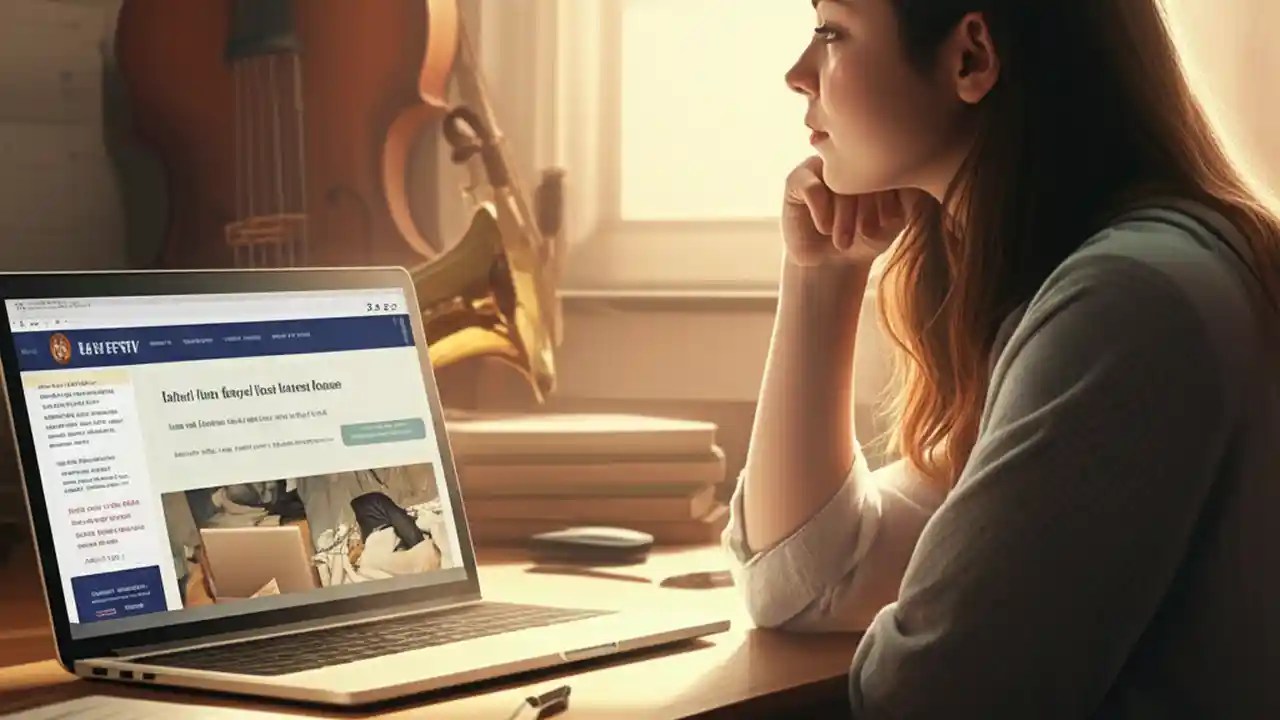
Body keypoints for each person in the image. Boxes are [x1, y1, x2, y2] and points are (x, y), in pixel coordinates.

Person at [722, 1, 1280, 718]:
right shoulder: (1118, 276)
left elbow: (930, 696)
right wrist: (821, 279)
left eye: (833, 32)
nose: (798, 74)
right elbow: (800, 584)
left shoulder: (1124, 303)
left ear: (971, 58)